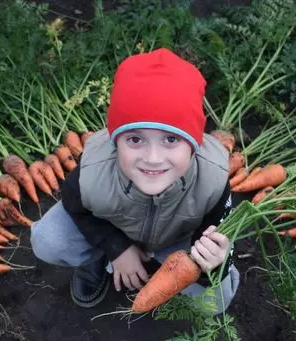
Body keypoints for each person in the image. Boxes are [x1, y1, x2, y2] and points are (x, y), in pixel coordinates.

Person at [31, 48, 239, 314]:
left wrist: (215, 263)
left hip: (178, 243)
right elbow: (74, 204)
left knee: (215, 303)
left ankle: (161, 270)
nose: (153, 158)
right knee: (48, 240)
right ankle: (96, 261)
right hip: (116, 229)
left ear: (194, 143)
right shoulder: (95, 170)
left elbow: (219, 235)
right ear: (115, 140)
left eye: (171, 139)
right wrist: (115, 247)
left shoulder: (212, 181)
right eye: (135, 139)